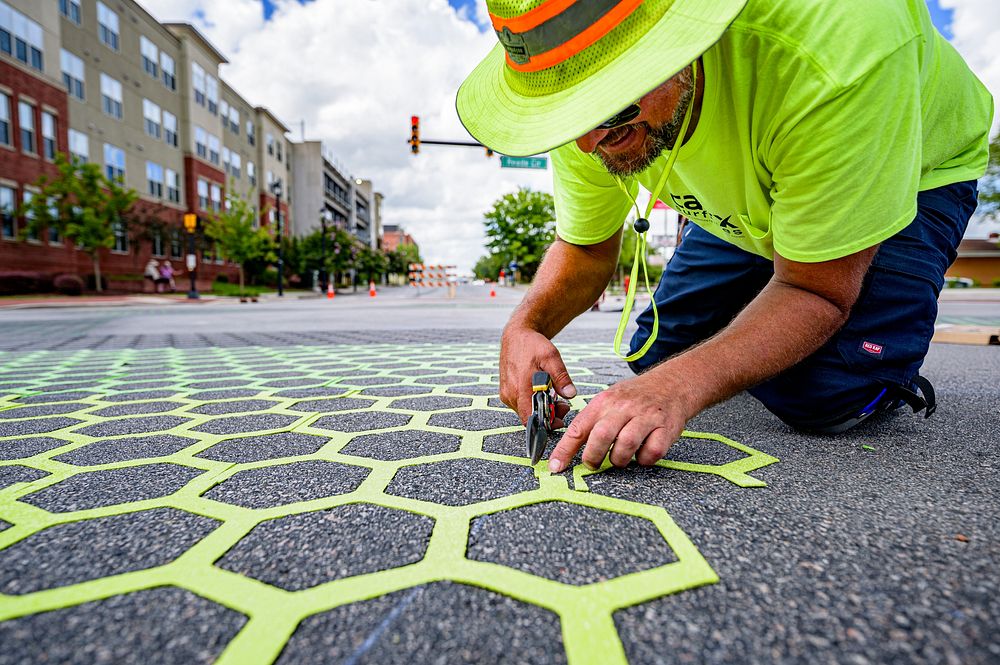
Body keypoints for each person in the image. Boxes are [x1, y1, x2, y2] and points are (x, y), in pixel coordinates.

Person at [456, 0, 993, 473]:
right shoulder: (577, 100)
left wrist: (678, 389)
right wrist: (526, 326)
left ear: (681, 36)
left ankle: (866, 357)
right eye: (571, 120)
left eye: (614, 109)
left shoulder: (837, 51)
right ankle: (771, 285)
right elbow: (586, 246)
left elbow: (816, 289)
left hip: (913, 170)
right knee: (658, 352)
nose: (589, 143)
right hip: (748, 196)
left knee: (824, 395)